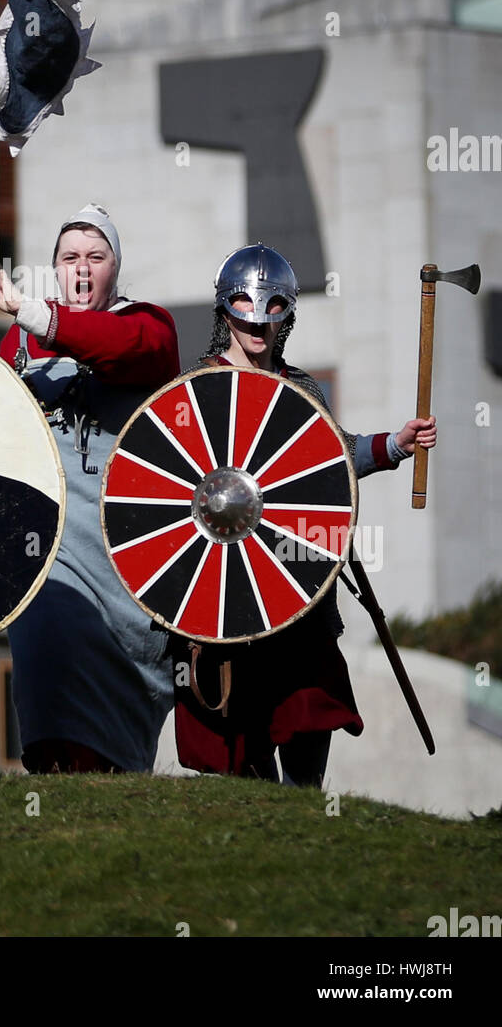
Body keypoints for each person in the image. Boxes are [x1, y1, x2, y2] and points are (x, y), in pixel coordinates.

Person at [171, 243, 437, 787]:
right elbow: (167, 484)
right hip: (227, 597)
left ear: (286, 316)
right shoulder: (195, 389)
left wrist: (395, 445)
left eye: (271, 312)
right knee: (246, 766)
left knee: (306, 746)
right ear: (225, 312)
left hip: (296, 587)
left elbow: (332, 461)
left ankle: (308, 836)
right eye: (244, 309)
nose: (257, 325)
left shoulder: (302, 390)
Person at [0, 203, 180, 774]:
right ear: (56, 268)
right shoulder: (19, 341)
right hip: (50, 554)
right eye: (70, 258)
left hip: (130, 558)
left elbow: (118, 348)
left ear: (116, 267)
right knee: (50, 663)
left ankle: (109, 822)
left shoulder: (149, 326)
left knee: (126, 731)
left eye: (96, 256)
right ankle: (54, 804)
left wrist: (31, 311)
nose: (82, 270)